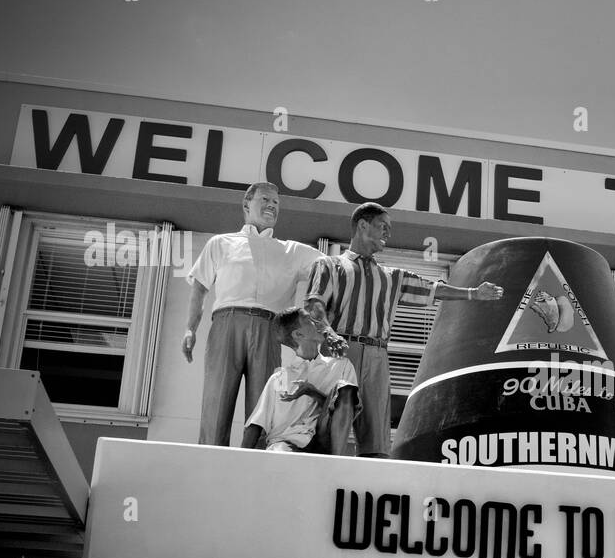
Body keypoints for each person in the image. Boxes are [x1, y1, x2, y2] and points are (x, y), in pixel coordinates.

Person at [303, 203, 504, 458]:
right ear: (363, 225)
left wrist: (474, 293)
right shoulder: (329, 265)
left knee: (377, 439)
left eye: (389, 228)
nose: (387, 233)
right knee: (332, 428)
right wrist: (329, 334)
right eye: (382, 226)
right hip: (341, 352)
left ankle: (371, 490)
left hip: (378, 355)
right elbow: (314, 305)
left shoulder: (391, 276)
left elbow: (433, 289)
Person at [183, 182, 340, 446]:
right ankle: (209, 460)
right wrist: (190, 328)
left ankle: (256, 463)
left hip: (270, 328)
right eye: (265, 199)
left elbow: (332, 269)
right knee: (216, 400)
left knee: (263, 405)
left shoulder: (292, 250)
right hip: (226, 323)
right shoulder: (221, 243)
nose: (271, 206)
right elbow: (199, 289)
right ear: (246, 204)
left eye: (276, 203)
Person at [241, 307, 359, 455]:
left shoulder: (342, 366)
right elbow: (256, 424)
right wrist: (238, 463)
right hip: (285, 445)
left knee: (345, 389)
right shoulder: (279, 378)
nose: (318, 323)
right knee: (279, 450)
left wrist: (313, 392)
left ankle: (335, 465)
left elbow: (346, 414)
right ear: (298, 334)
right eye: (309, 320)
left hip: (325, 444)